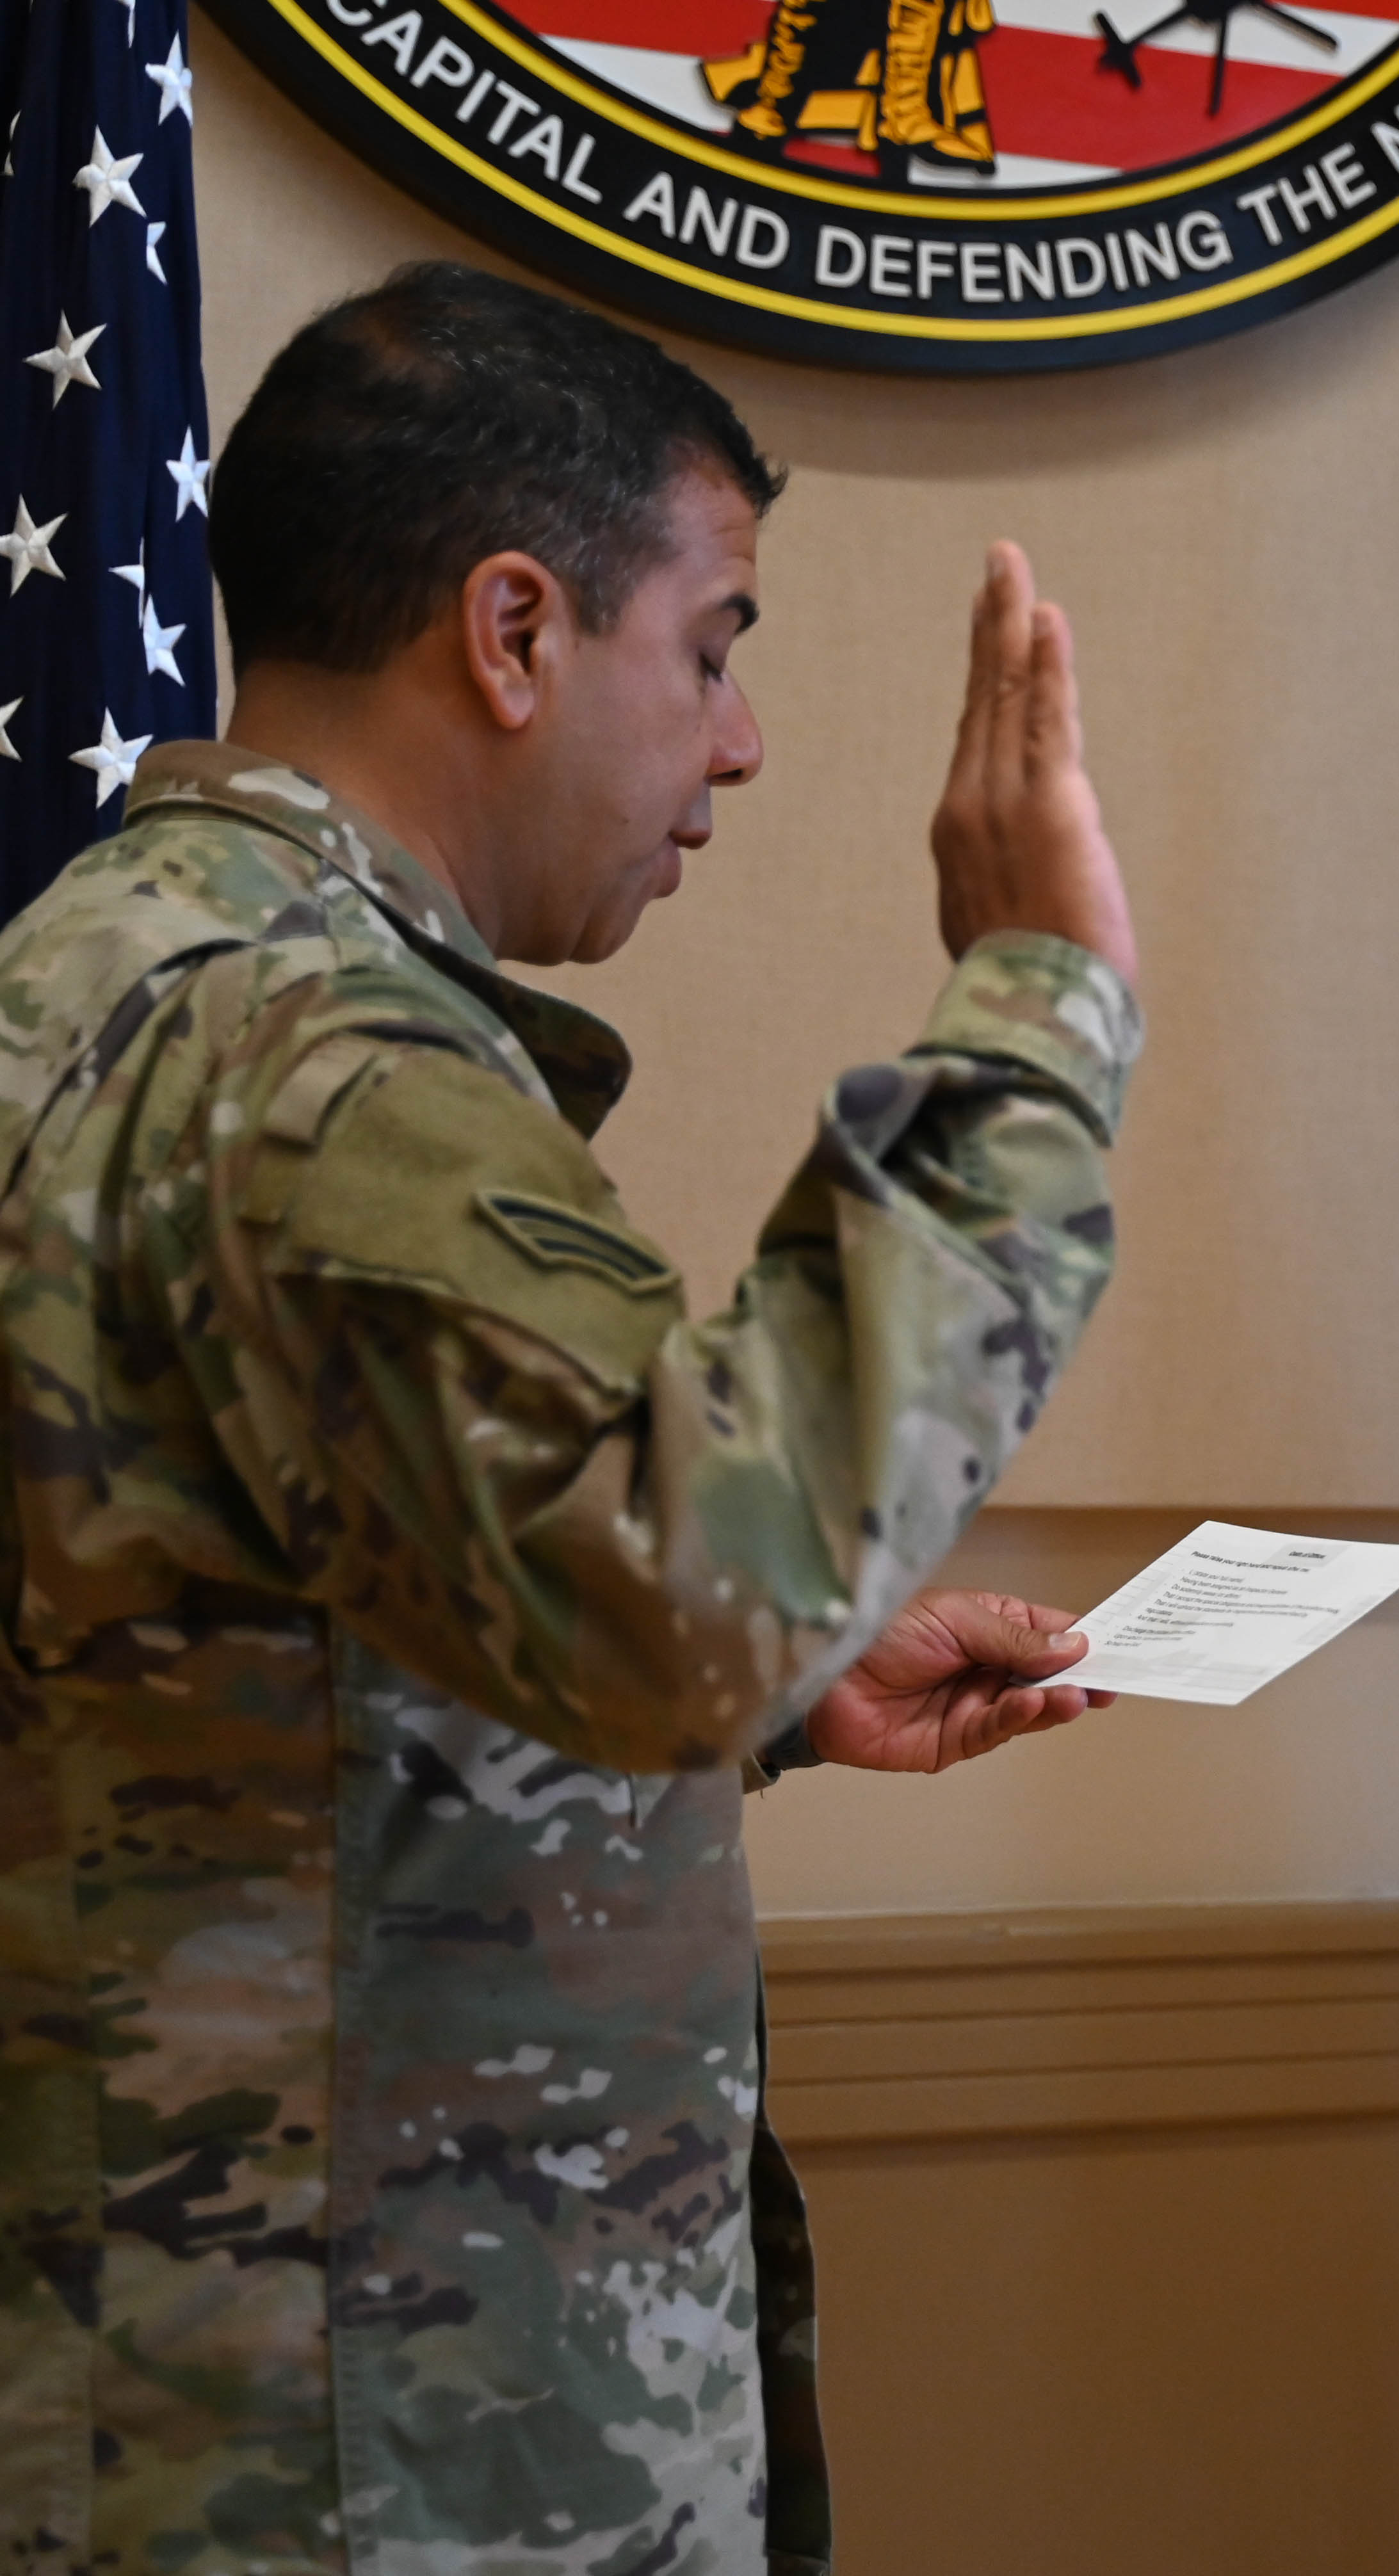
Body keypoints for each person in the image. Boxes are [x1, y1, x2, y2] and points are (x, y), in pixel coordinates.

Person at [0, 264, 1142, 2573]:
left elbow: (190, 1647)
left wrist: (784, 1705)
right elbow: (687, 1583)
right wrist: (1039, 1014)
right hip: (357, 2475)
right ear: (515, 632)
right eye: (712, 646)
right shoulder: (305, 1061)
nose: (736, 743)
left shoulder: (94, 973)